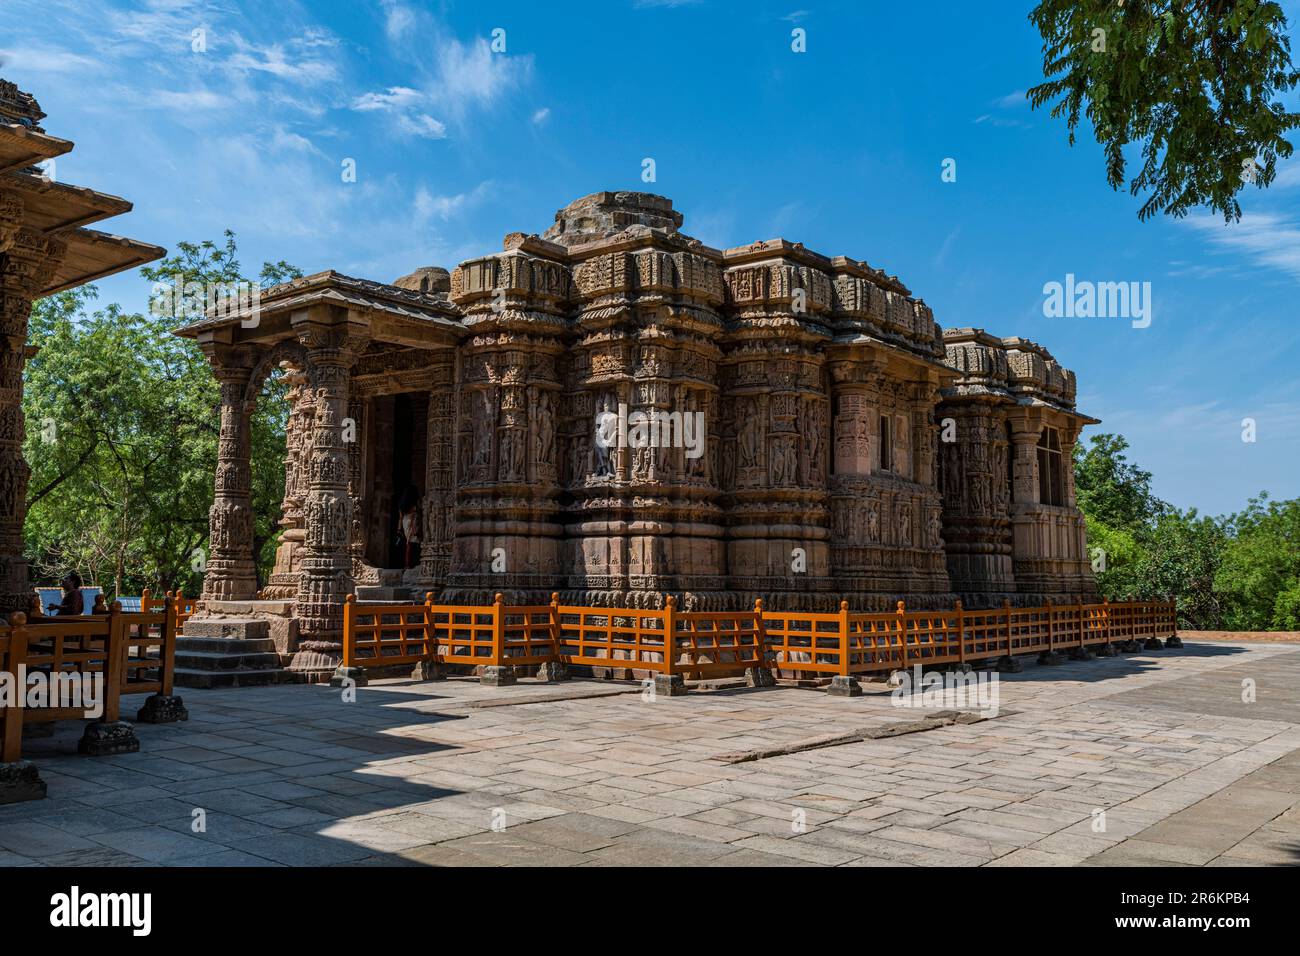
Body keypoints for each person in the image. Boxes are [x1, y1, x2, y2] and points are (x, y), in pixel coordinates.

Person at [396, 486, 422, 569]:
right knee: (413, 542)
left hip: (405, 522)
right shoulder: (414, 506)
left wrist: (399, 529)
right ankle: (411, 564)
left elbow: (400, 518)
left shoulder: (402, 506)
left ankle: (407, 564)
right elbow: (417, 515)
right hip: (413, 522)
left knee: (408, 543)